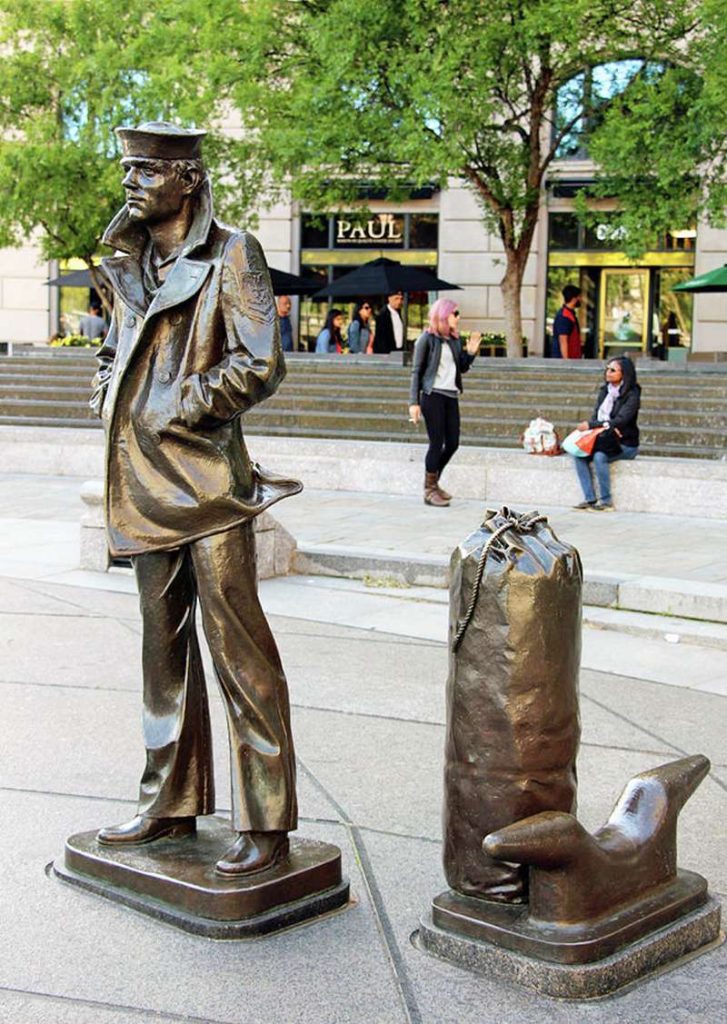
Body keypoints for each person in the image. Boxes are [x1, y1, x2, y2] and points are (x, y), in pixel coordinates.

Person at [89, 121, 302, 877]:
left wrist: (180, 402)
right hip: (142, 483)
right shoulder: (128, 259)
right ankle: (168, 803)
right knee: (162, 655)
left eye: (146, 168)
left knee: (240, 653)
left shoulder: (232, 253)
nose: (131, 180)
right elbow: (115, 346)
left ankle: (267, 821)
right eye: (128, 167)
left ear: (186, 178)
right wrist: (109, 385)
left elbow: (260, 362)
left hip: (208, 486)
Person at [408, 298, 481, 506]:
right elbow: (416, 372)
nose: (458, 318)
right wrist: (414, 402)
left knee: (453, 443)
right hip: (433, 396)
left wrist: (471, 353)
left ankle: (432, 482)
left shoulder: (454, 340)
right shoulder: (427, 339)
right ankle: (430, 489)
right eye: (455, 314)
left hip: (451, 396)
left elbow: (462, 368)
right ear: (444, 315)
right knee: (436, 443)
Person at [571, 356, 640, 512]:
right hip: (603, 439)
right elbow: (598, 415)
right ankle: (589, 498)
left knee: (599, 457)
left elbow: (621, 420)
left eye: (613, 370)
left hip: (625, 443)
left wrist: (593, 425)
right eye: (607, 369)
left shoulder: (632, 394)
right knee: (578, 454)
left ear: (624, 374)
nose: (608, 373)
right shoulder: (605, 391)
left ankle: (606, 501)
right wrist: (598, 427)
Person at [551, 284, 583, 359]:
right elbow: (563, 341)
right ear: (574, 299)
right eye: (579, 297)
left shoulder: (569, 314)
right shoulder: (564, 316)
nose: (581, 299)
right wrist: (566, 363)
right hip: (565, 361)